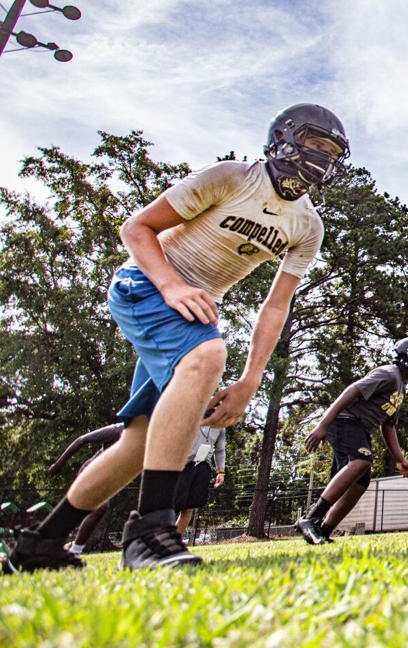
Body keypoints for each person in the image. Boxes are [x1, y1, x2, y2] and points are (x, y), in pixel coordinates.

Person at [8, 103, 349, 572]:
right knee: (208, 354)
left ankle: (41, 543)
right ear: (284, 139)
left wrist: (250, 381)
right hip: (147, 284)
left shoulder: (308, 226)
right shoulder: (233, 177)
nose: (322, 160)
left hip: (187, 307)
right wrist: (171, 284)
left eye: (331, 153)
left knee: (138, 444)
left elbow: (276, 305)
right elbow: (137, 228)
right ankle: (150, 529)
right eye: (315, 145)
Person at [295, 337, 408, 544]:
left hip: (360, 429)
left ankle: (324, 529)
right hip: (345, 422)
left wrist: (400, 459)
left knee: (361, 483)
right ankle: (311, 518)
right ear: (406, 354)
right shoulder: (389, 374)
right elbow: (351, 390)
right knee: (361, 460)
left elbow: (389, 425)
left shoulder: (401, 386)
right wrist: (322, 425)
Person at [46, 423, 123, 555]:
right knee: (100, 508)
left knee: (92, 511)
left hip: (106, 476)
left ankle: (72, 549)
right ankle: (64, 547)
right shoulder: (117, 430)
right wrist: (59, 463)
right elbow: (82, 439)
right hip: (91, 470)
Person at [174, 425, 226, 537]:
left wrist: (221, 472)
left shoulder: (220, 426)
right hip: (182, 464)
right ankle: (157, 538)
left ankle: (173, 541)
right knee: (172, 505)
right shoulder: (194, 415)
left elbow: (220, 450)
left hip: (202, 466)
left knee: (188, 508)